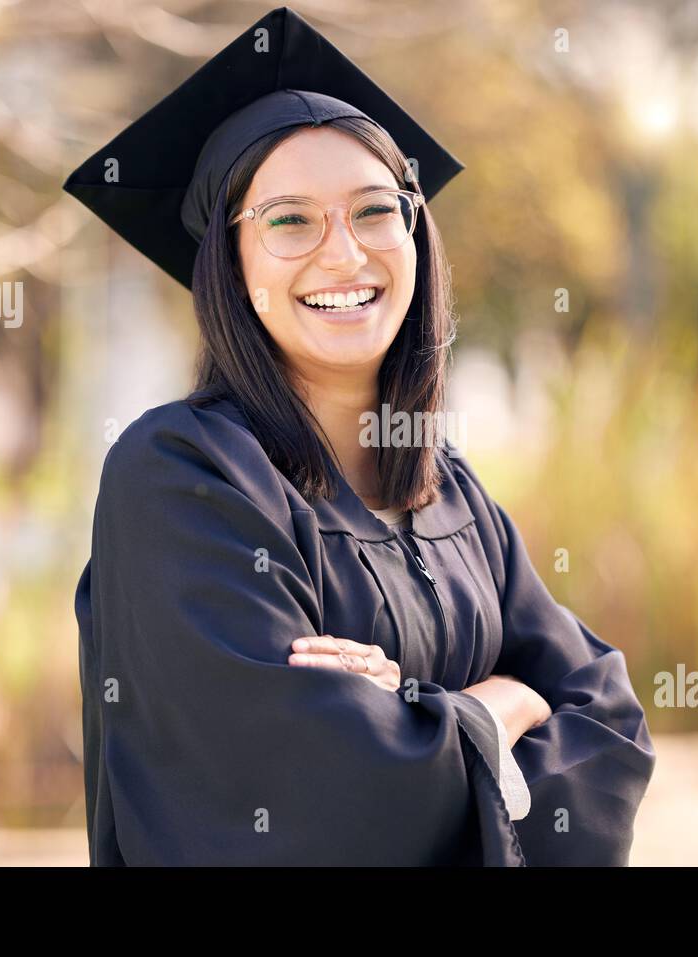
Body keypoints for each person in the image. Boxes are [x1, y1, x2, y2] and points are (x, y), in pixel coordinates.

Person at [67, 5, 655, 866]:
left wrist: (407, 719)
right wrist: (498, 705)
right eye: (290, 220)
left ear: (416, 235)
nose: (345, 256)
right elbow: (309, 795)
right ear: (229, 266)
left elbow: (610, 725)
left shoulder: (449, 491)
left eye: (375, 210)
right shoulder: (181, 476)